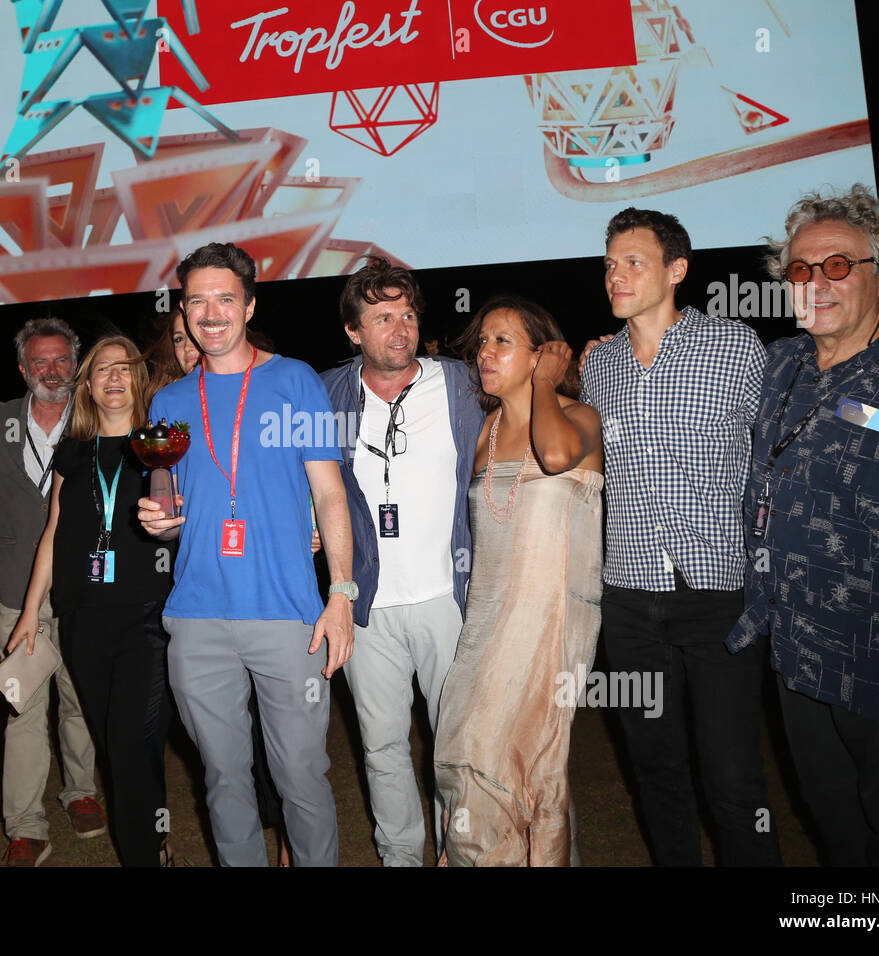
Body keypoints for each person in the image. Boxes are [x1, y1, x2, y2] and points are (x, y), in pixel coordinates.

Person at [728, 185, 879, 865]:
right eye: (800, 270)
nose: (815, 283)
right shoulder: (780, 367)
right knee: (839, 834)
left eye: (838, 266)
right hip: (801, 660)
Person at [138, 242, 354, 867]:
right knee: (224, 781)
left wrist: (340, 593)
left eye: (224, 298)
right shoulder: (171, 403)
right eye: (197, 300)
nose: (210, 313)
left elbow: (330, 495)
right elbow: (173, 509)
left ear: (249, 305)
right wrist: (162, 523)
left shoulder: (295, 380)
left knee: (302, 781)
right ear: (184, 310)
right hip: (198, 617)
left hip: (287, 615)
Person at [579, 207, 781, 866]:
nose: (615, 276)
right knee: (657, 775)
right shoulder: (599, 366)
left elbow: (782, 440)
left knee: (732, 777)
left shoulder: (735, 347)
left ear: (677, 270)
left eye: (632, 262)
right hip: (630, 598)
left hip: (718, 594)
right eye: (609, 265)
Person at [319, 259, 484, 866]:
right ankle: (400, 857)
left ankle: (457, 851)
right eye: (382, 316)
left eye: (408, 314)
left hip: (451, 597)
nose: (400, 327)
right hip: (365, 605)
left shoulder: (464, 385)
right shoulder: (328, 392)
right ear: (353, 332)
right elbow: (299, 479)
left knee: (456, 746)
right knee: (382, 746)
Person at [431, 296, 603, 866]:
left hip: (548, 622)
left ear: (542, 355)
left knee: (529, 761)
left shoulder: (579, 417)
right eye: (482, 341)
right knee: (466, 752)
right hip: (487, 622)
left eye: (503, 340)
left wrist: (548, 387)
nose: (485, 351)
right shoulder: (487, 428)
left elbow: (553, 457)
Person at [8, 334, 173, 867]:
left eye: (125, 367)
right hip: (80, 617)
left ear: (139, 380)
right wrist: (32, 610)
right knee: (113, 740)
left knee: (130, 742)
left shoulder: (162, 444)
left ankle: (145, 852)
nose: (115, 376)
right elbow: (53, 531)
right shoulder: (73, 452)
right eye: (103, 369)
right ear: (89, 384)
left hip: (147, 616)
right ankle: (154, 835)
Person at [146, 310, 293, 866]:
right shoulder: (174, 413)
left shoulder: (271, 392)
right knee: (228, 754)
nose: (189, 350)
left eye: (194, 340)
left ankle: (287, 845)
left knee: (281, 751)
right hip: (205, 606)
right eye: (178, 343)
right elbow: (172, 492)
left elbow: (299, 476)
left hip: (273, 597)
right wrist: (164, 512)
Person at [0, 318, 104, 867]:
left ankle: (81, 791)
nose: (51, 370)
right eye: (39, 361)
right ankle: (25, 824)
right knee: (23, 708)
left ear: (77, 362)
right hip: (18, 593)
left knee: (79, 698)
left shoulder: (93, 419)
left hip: (82, 588)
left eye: (61, 359)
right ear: (23, 369)